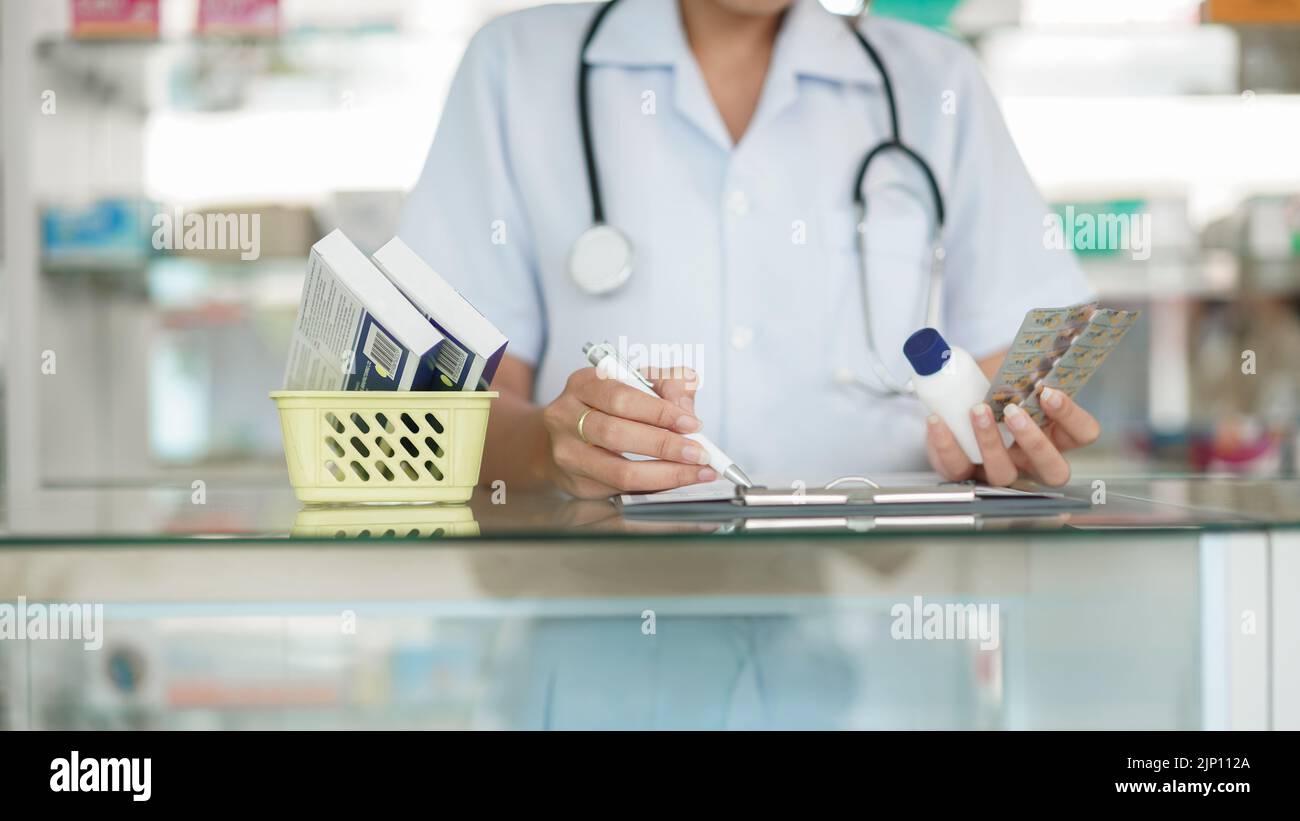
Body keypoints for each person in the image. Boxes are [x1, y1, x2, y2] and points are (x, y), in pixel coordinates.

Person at [398, 0, 1102, 498]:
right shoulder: (515, 71)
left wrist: (997, 436)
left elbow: (1019, 363)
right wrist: (550, 451)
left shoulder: (937, 86)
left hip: (883, 646)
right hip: (606, 643)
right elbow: (436, 403)